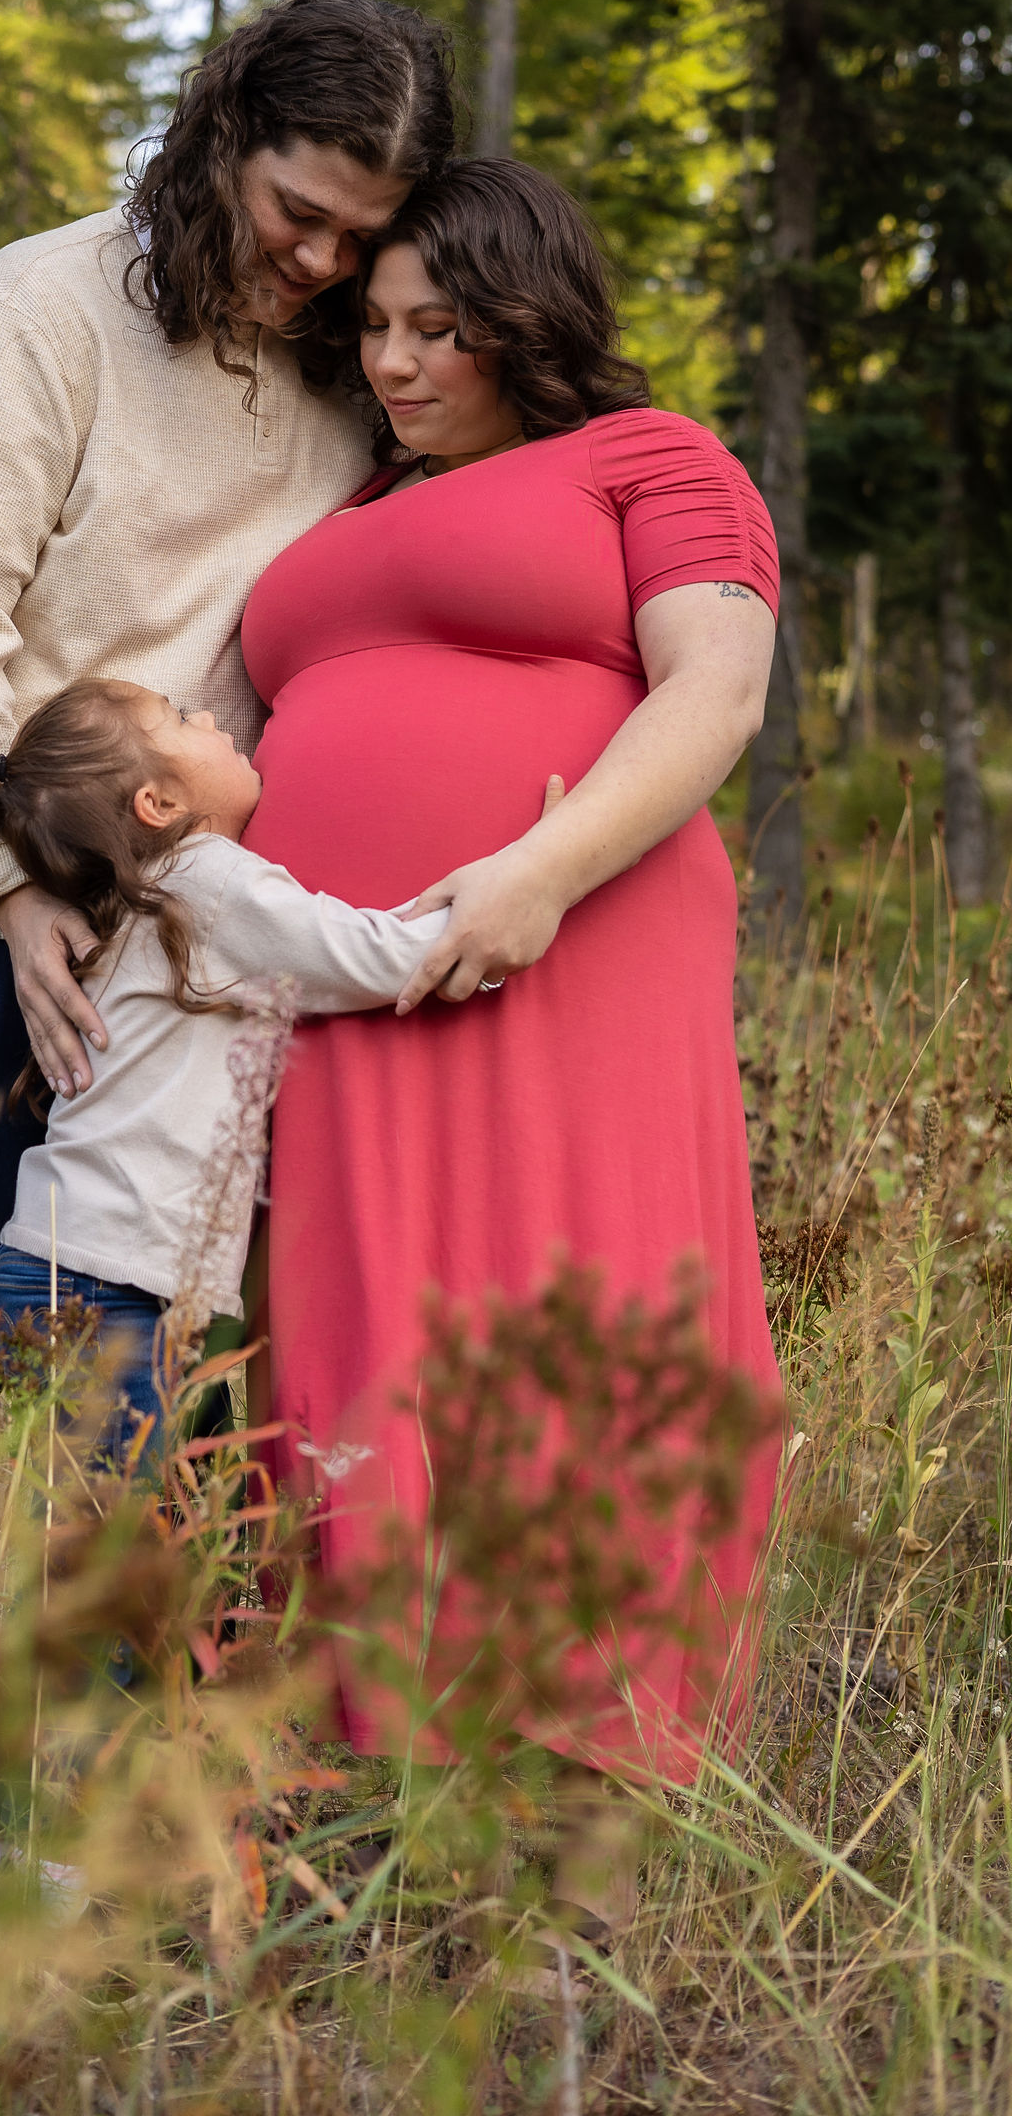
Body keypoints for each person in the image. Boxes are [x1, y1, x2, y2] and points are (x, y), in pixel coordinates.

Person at [0, 0, 457, 1755]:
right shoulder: (45, 305)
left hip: (202, 921)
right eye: (295, 211)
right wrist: (13, 890)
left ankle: (136, 1742)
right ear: (223, 136)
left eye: (360, 235)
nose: (320, 259)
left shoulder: (343, 384)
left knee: (150, 1327)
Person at [239, 158, 784, 1937]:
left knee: (579, 1281)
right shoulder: (343, 503)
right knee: (353, 1303)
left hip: (575, 934)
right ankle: (354, 1731)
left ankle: (595, 1755)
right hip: (337, 978)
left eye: (437, 329)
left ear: (522, 316)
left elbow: (714, 690)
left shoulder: (655, 460)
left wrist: (537, 875)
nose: (393, 363)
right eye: (378, 329)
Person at [0, 676, 462, 1455]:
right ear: (157, 804)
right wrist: (510, 899)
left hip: (50, 1269)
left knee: (90, 1540)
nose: (214, 718)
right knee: (125, 1555)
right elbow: (368, 956)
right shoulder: (209, 882)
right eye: (182, 719)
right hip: (108, 1290)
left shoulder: (135, 898)